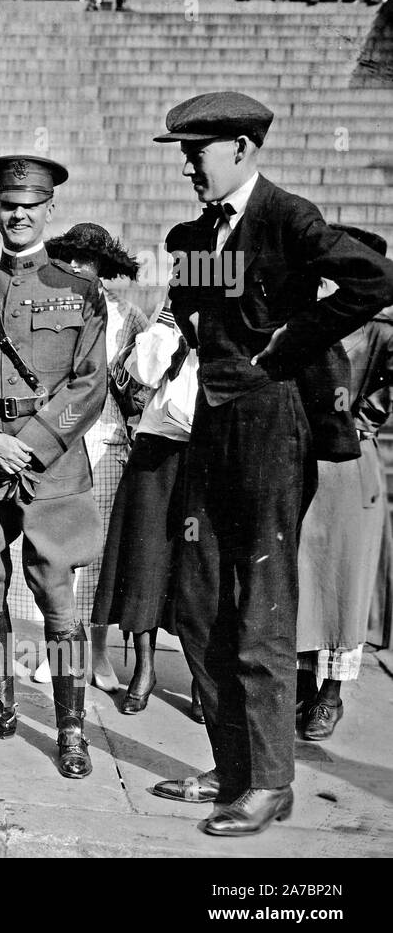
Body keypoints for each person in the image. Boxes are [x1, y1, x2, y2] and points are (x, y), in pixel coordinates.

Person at [154, 90, 393, 835]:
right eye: (185, 155)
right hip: (211, 423)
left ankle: (271, 781)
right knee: (198, 601)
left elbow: (375, 281)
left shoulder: (289, 217)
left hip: (271, 424)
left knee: (261, 602)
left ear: (242, 149)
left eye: (198, 153)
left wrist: (292, 343)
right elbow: (190, 308)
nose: (188, 167)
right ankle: (232, 767)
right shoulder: (199, 232)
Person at [0, 155, 107, 781]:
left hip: (54, 464)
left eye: (30, 207)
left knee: (57, 598)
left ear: (49, 210)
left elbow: (90, 384)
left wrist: (34, 442)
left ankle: (71, 727)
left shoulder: (81, 290)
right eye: (8, 205)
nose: (18, 215)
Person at [295, 225, 393, 742]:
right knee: (302, 573)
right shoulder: (310, 318)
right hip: (302, 455)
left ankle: (330, 695)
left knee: (342, 581)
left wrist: (362, 422)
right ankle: (299, 684)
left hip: (350, 462)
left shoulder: (380, 329)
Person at [43, 223, 148, 697]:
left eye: (87, 260)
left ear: (103, 268)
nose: (77, 267)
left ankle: (99, 652)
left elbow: (141, 385)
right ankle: (59, 653)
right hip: (58, 437)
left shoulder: (127, 317)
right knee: (58, 546)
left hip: (106, 438)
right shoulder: (46, 307)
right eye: (70, 258)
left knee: (100, 552)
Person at [92, 297, 203, 720]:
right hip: (158, 445)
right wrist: (174, 316)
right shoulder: (173, 308)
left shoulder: (243, 304)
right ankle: (145, 668)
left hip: (211, 448)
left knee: (202, 567)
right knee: (145, 560)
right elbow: (145, 371)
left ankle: (202, 676)